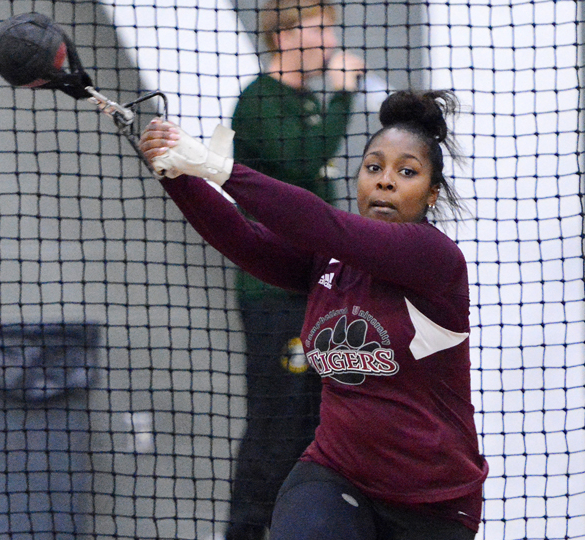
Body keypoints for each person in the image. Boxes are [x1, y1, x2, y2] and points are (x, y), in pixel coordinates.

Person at [139, 89, 489, 539]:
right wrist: (177, 175)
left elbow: (320, 222)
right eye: (373, 167)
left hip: (433, 502)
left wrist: (214, 166)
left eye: (407, 172)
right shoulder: (330, 262)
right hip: (337, 474)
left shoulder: (436, 260)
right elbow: (244, 239)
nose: (385, 181)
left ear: (432, 194)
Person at [224, 1, 364, 539]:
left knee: (314, 426)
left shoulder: (304, 100)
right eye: (320, 26)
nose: (331, 38)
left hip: (314, 292)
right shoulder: (259, 102)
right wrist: (346, 94)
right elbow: (305, 159)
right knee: (275, 425)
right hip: (272, 293)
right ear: (283, 36)